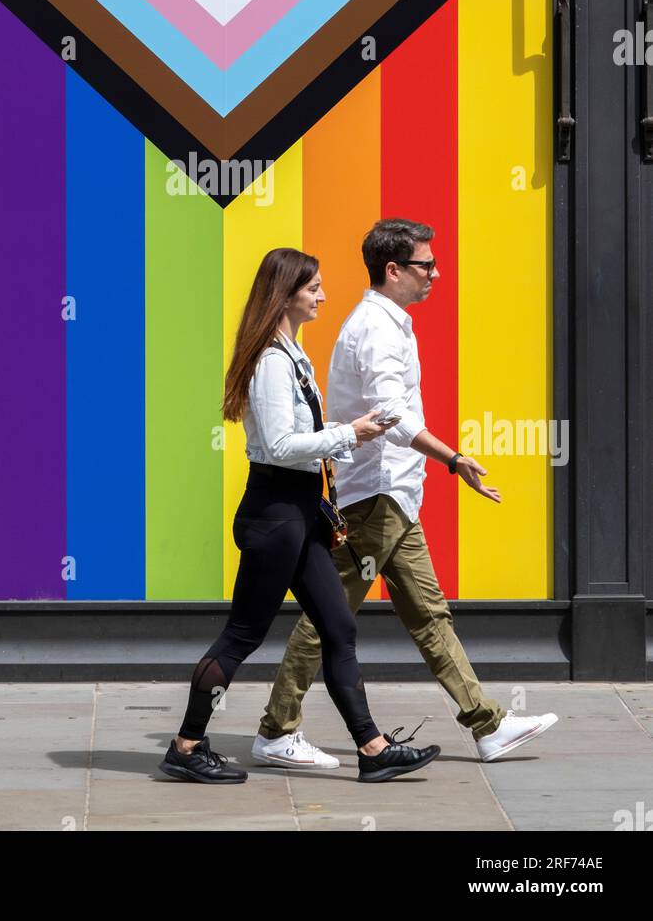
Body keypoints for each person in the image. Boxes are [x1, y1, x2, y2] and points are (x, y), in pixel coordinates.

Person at [252, 220, 558, 769]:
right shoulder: (375, 327)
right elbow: (391, 418)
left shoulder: (390, 323)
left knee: (427, 613)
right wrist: (454, 459)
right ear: (393, 271)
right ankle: (277, 729)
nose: (435, 274)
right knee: (328, 616)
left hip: (392, 493)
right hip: (375, 493)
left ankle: (487, 726)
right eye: (426, 265)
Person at [159, 246, 442, 784]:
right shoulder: (271, 361)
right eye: (313, 288)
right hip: (275, 516)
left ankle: (374, 749)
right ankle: (186, 744)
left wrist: (346, 439)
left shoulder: (291, 355)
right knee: (242, 636)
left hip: (301, 511)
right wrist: (348, 434)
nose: (323, 296)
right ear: (286, 294)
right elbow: (277, 445)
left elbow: (297, 444)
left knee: (338, 627)